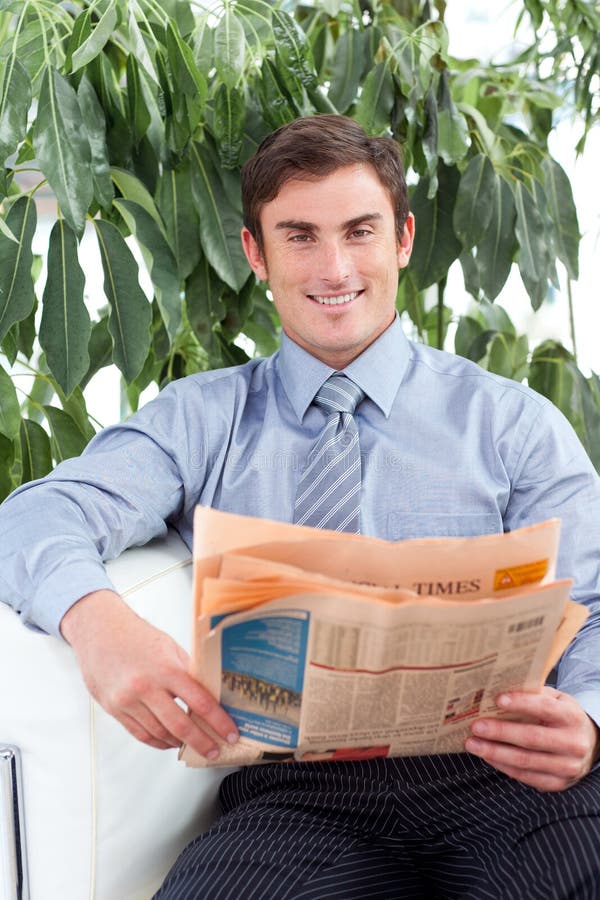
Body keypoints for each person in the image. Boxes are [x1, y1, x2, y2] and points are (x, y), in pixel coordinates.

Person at [1, 114, 600, 898]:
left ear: (403, 239)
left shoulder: (514, 423)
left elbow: (593, 599)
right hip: (296, 800)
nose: (335, 266)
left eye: (359, 231)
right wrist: (99, 623)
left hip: (506, 778)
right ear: (256, 253)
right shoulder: (201, 418)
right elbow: (38, 511)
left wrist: (589, 724)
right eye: (300, 236)